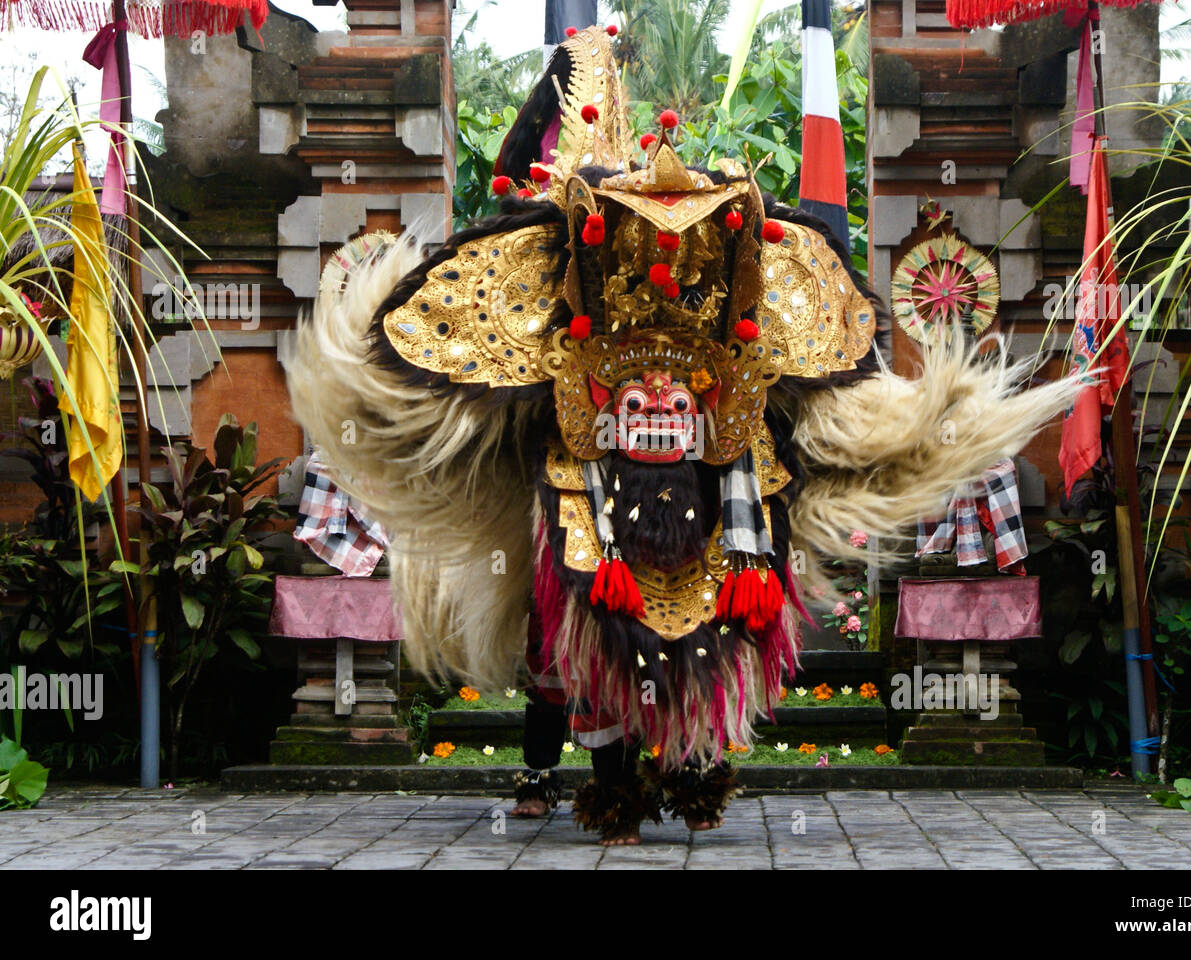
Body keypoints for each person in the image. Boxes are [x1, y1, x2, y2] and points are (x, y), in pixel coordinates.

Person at [288, 25, 1079, 845]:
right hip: (591, 496)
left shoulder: (744, 407)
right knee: (571, 654)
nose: (660, 390)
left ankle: (694, 762)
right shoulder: (566, 391)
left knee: (715, 634)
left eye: (678, 380)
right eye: (638, 379)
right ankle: (605, 787)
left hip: (716, 497)